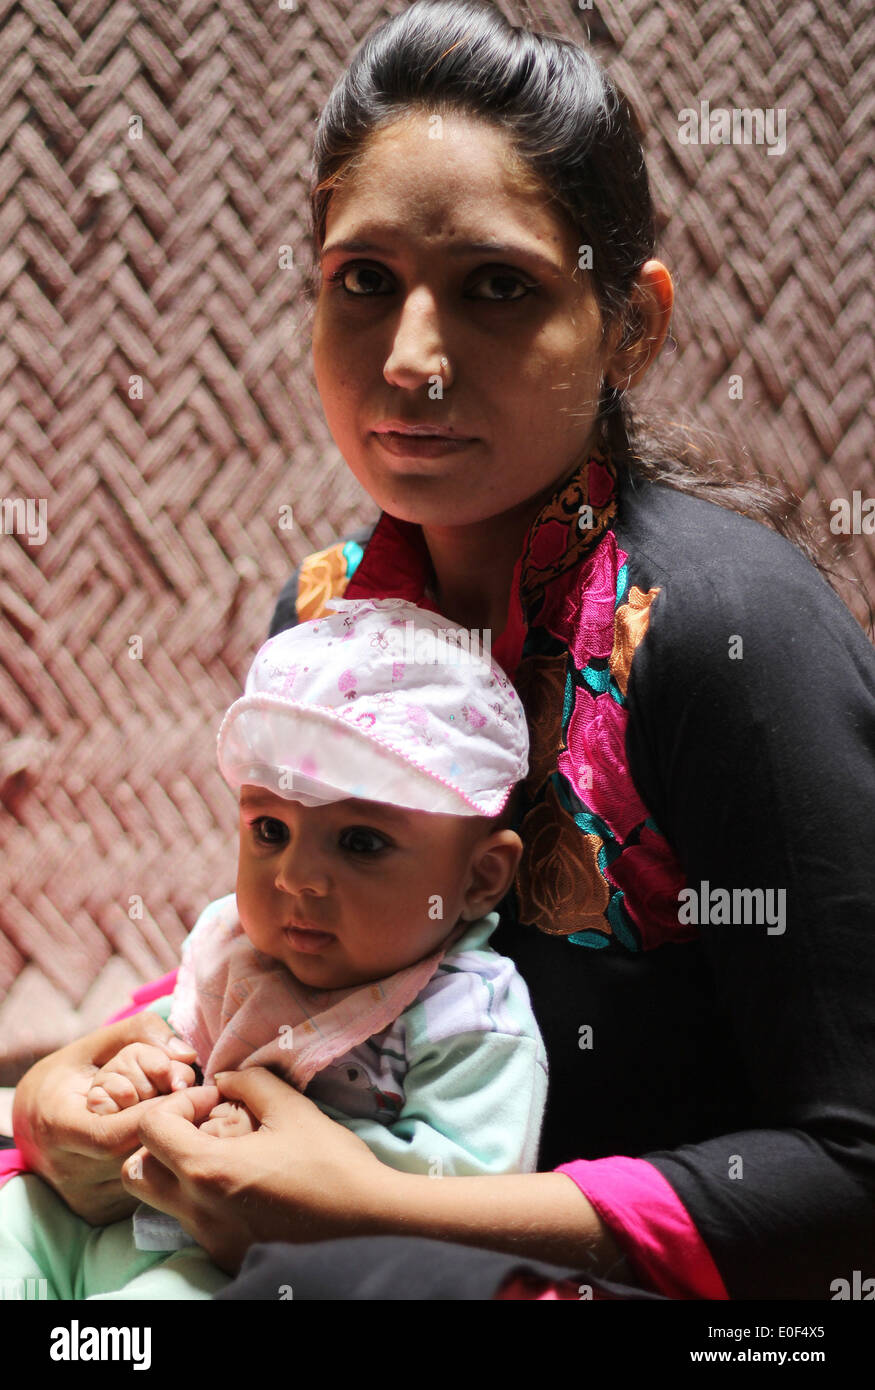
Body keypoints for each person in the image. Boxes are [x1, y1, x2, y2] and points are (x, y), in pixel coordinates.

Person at [10, 0, 875, 1301]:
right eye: (361, 281)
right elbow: (313, 962)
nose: (411, 356)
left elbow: (849, 1170)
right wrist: (85, 1078)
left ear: (628, 326)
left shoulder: (725, 642)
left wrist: (398, 1210)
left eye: (494, 287)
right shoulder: (326, 619)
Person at [0, 596, 548, 1297]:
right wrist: (137, 1076)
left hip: (258, 1264)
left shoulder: (467, 1018)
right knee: (17, 1216)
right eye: (269, 830)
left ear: (479, 878)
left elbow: (463, 1198)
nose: (294, 877)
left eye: (361, 842)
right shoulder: (235, 949)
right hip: (122, 1224)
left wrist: (264, 1150)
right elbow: (173, 1045)